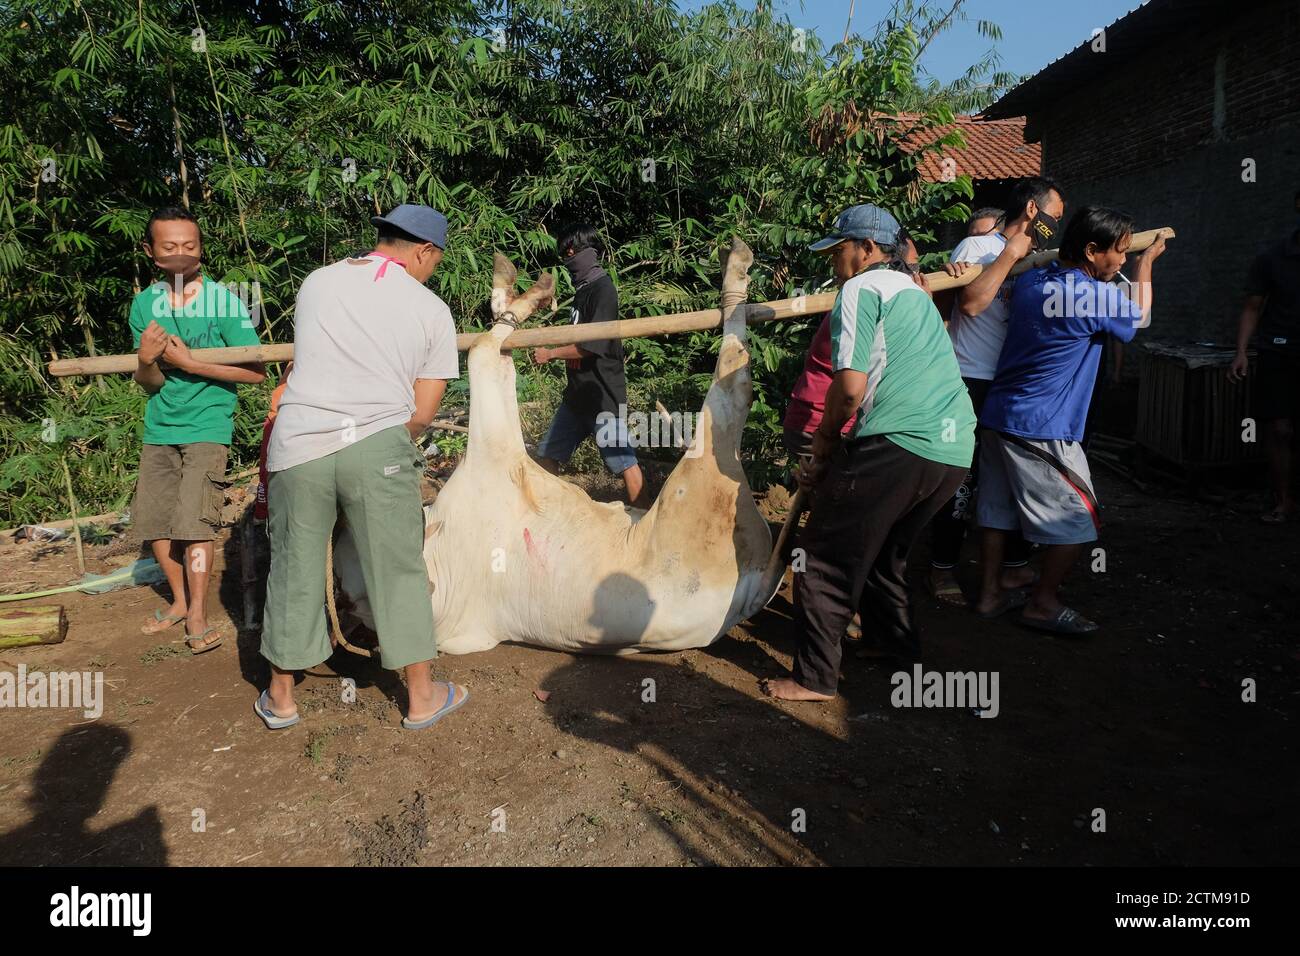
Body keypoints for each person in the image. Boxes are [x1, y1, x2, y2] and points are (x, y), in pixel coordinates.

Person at [258, 204, 465, 731]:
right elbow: (421, 413)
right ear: (424, 250)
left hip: (298, 442)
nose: (431, 271)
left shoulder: (317, 283)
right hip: (376, 446)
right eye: (434, 262)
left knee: (294, 566)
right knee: (396, 568)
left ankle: (281, 698)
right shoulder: (431, 309)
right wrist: (386, 444)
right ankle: (420, 698)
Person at [762, 205, 976, 702]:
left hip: (898, 441)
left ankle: (813, 678)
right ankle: (893, 647)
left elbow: (850, 388)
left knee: (822, 558)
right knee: (884, 555)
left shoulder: (860, 289)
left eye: (841, 249)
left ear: (868, 249)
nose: (837, 260)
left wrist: (825, 443)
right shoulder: (917, 295)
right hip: (954, 447)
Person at [975, 207, 1166, 634]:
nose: (1120, 260)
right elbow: (1139, 320)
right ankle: (1042, 602)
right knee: (1079, 521)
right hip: (1041, 426)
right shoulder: (1091, 296)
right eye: (1116, 253)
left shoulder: (1030, 280)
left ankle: (990, 594)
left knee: (996, 510)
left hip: (999, 414)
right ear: (1091, 250)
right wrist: (1145, 265)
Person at [130, 206, 265, 653]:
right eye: (169, 247)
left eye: (190, 246)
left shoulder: (223, 301)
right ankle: (180, 603)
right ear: (151, 252)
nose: (180, 255)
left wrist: (191, 363)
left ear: (201, 249)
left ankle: (200, 615)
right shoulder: (144, 305)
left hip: (207, 423)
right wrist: (147, 361)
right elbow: (149, 384)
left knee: (196, 524)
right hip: (160, 425)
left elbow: (255, 372)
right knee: (157, 522)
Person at [928, 178, 1065, 609]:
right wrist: (1010, 255)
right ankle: (941, 567)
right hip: (969, 380)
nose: (1055, 226)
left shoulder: (1042, 259)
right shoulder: (978, 250)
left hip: (1012, 383)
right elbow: (970, 305)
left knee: (1004, 478)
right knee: (961, 479)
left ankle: (1011, 565)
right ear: (1031, 210)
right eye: (1053, 217)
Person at [532, 224, 647, 507]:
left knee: (624, 463)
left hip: (602, 396)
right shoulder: (583, 291)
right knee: (548, 456)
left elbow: (591, 345)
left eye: (574, 249)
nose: (569, 255)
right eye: (565, 252)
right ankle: (548, 515)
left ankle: (645, 522)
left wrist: (551, 353)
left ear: (590, 251)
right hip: (576, 397)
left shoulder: (603, 290)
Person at [783, 230, 925, 460]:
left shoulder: (871, 298)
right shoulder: (864, 300)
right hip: (824, 422)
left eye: (916, 266)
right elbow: (851, 391)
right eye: (909, 266)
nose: (913, 274)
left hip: (830, 421)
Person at [1229, 194, 1300, 523]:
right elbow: (1252, 307)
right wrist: (1241, 351)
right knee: (1279, 428)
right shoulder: (1273, 258)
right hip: (1279, 350)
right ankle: (1284, 501)